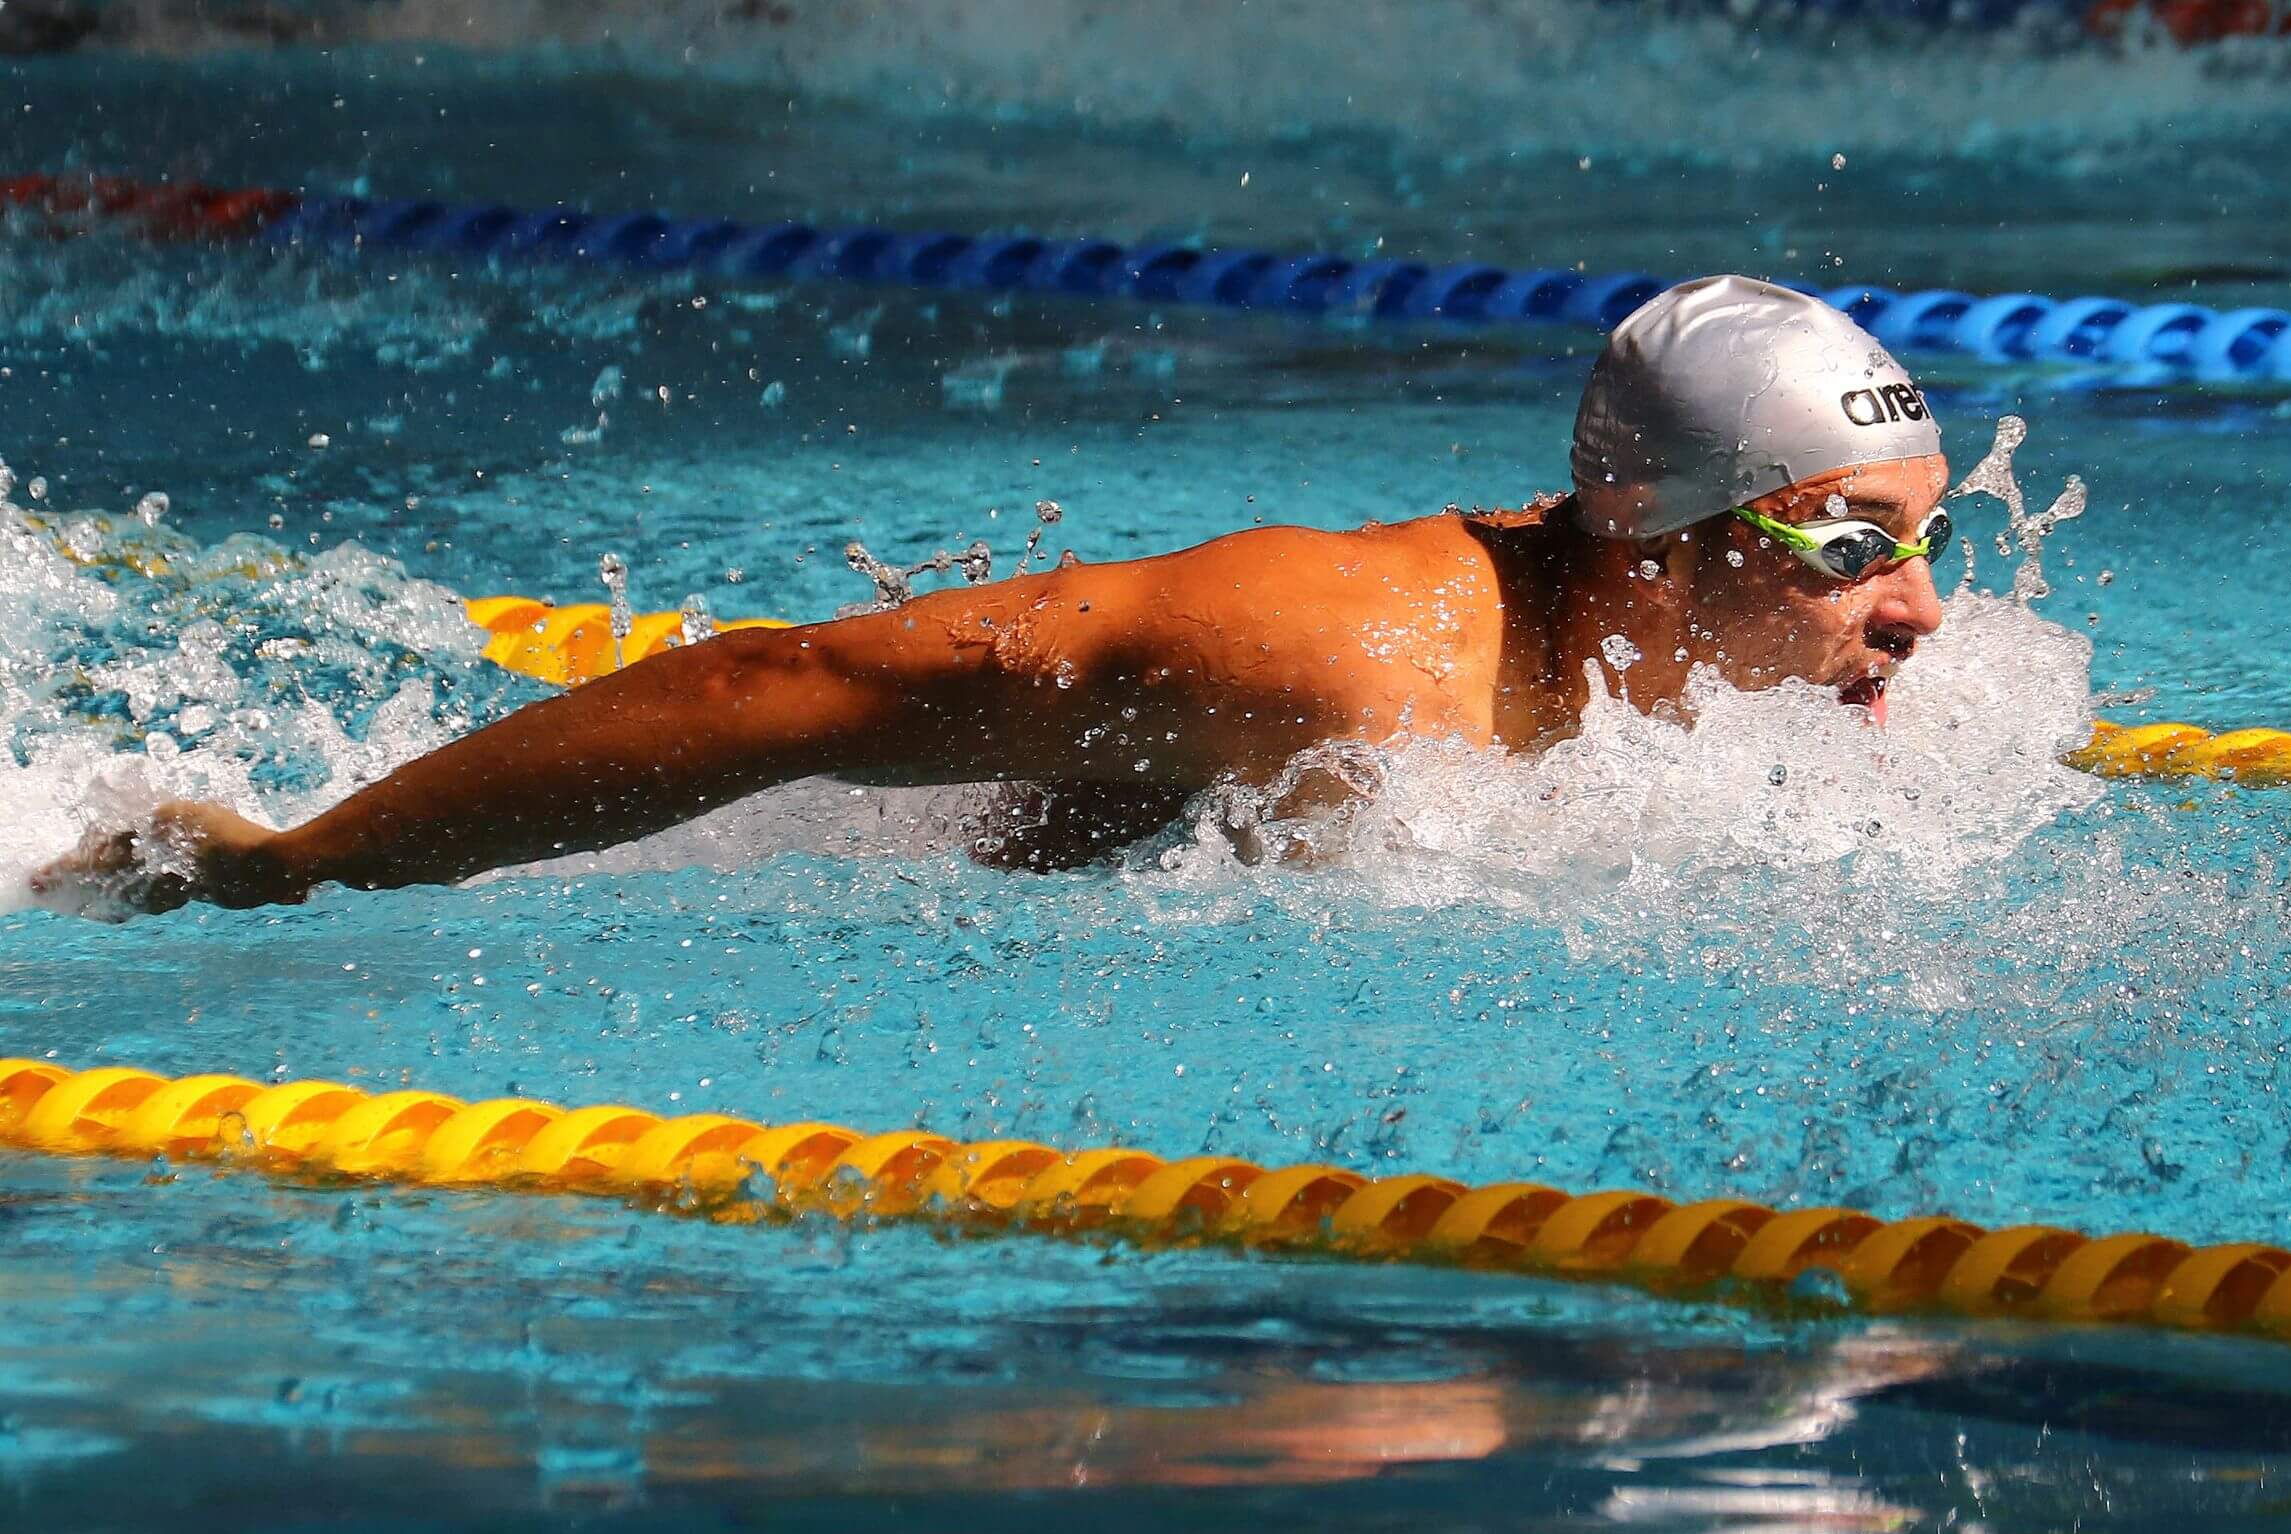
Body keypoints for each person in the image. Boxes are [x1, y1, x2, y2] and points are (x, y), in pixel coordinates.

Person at [33, 275, 1951, 913]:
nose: (1924, 610)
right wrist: (295, 866)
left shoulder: (1739, 680)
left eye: (1929, 537)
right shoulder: (1329, 651)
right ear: (1650, 535)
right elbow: (765, 696)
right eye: (1853, 542)